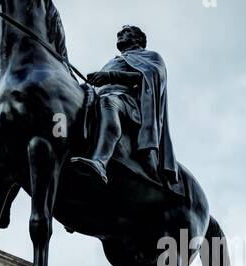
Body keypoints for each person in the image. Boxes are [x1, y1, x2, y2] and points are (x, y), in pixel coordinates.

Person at [69, 24, 181, 195]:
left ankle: (100, 162)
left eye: (126, 32)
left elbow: (149, 77)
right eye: (120, 33)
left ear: (139, 39)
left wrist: (110, 76)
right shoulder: (113, 60)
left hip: (127, 103)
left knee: (108, 103)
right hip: (100, 95)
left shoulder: (151, 57)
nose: (120, 34)